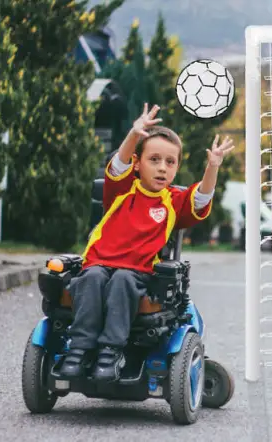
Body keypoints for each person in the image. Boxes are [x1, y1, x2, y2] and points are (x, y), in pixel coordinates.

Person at [59, 103, 235, 382]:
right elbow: (118, 165)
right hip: (99, 262)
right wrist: (133, 134)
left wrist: (212, 167)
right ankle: (79, 350)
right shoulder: (121, 190)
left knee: (122, 281)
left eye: (170, 162)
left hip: (137, 272)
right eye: (154, 160)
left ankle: (109, 352)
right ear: (138, 164)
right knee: (90, 278)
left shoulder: (174, 202)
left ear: (177, 168)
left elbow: (201, 198)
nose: (162, 168)